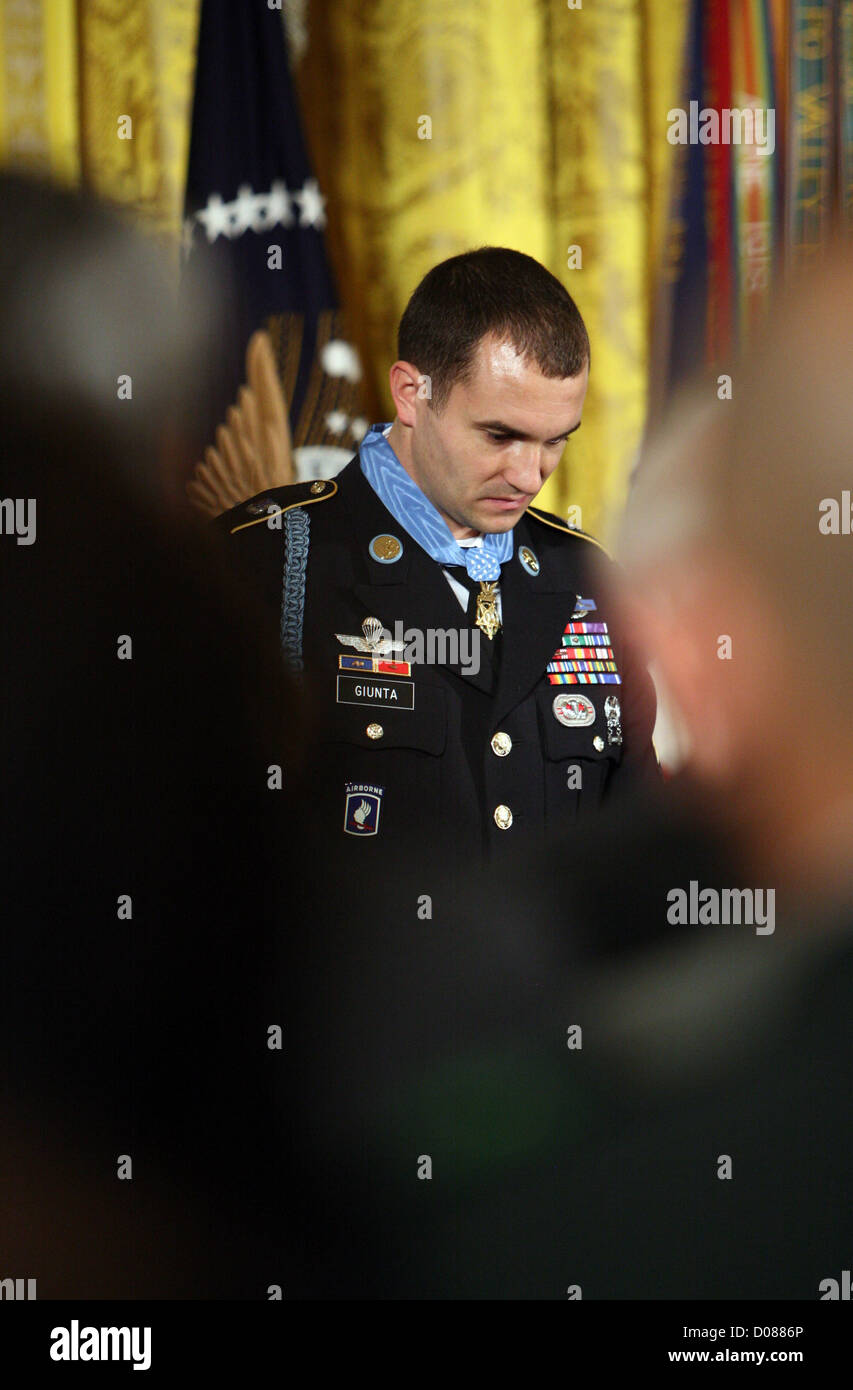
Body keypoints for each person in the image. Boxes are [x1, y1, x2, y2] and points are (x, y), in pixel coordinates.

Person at [212, 247, 659, 868]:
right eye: (500, 435)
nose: (530, 476)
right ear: (410, 392)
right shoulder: (265, 563)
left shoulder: (584, 577)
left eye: (556, 440)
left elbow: (637, 844)